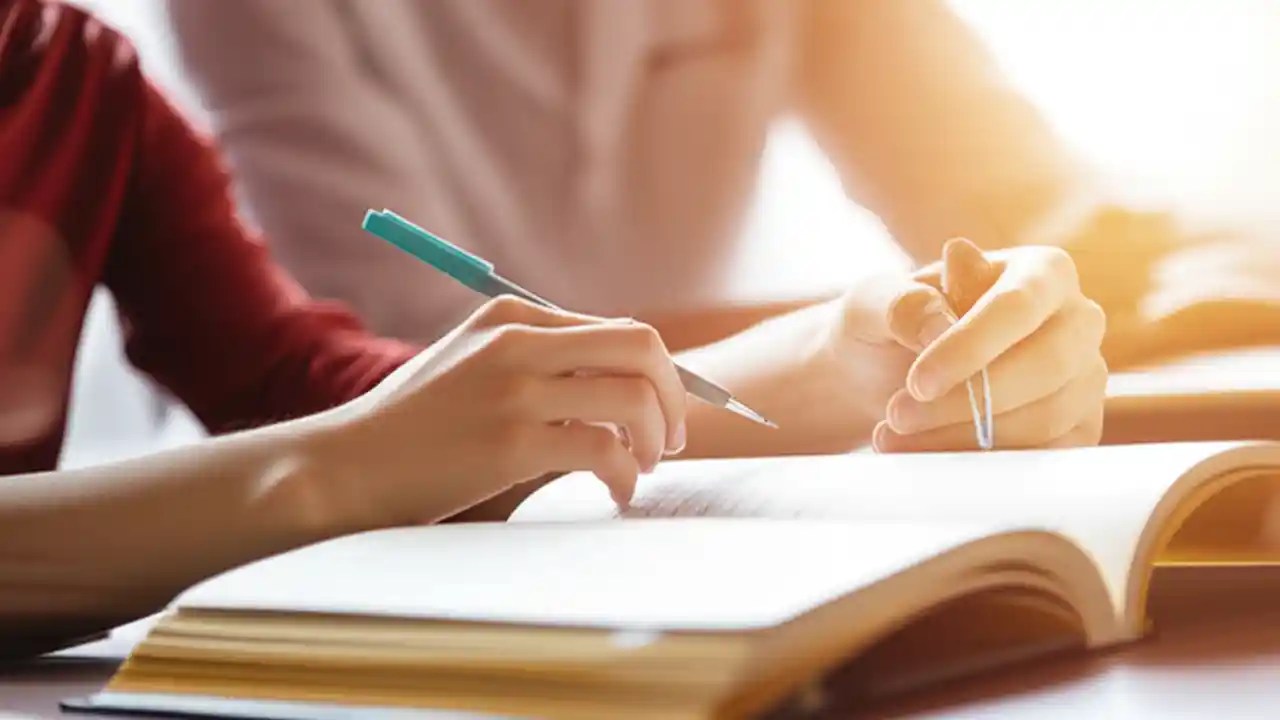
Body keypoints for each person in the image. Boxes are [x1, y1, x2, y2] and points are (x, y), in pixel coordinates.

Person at [0, 0, 1105, 656]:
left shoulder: (80, 78)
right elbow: (356, 444)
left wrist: (840, 354)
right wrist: (323, 479)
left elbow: (352, 395)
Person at [160, 0, 1110, 456]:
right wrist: (824, 357)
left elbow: (1016, 195)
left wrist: (1026, 295)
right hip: (402, 557)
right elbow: (409, 383)